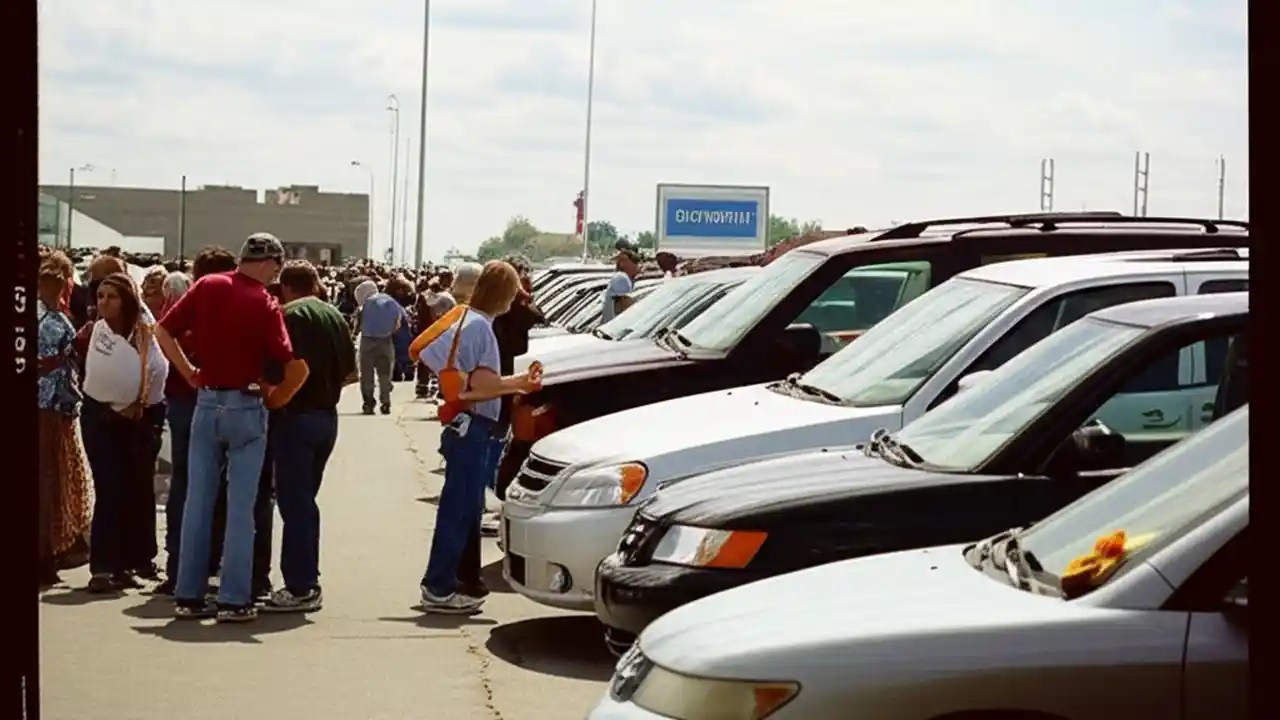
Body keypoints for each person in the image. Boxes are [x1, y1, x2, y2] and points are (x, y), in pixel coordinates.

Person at [155, 232, 308, 623]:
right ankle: (233, 598)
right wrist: (276, 397)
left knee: (198, 501)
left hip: (207, 400)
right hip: (247, 403)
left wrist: (189, 372)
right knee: (241, 507)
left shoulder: (208, 285)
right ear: (271, 262)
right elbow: (290, 363)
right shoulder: (265, 302)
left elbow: (163, 331)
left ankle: (188, 594)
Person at [415, 260, 542, 614]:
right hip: (473, 427)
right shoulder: (481, 328)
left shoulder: (466, 321)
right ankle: (439, 587)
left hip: (463, 426)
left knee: (463, 510)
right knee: (459, 512)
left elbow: (451, 371)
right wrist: (519, 383)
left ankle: (452, 582)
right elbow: (482, 385)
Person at [262, 261, 357, 613]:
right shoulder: (334, 316)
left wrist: (274, 399)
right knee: (304, 500)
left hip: (295, 415)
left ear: (285, 287)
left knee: (295, 503)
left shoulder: (288, 316)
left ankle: (301, 584)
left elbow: (279, 368)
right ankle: (304, 580)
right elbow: (350, 373)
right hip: (326, 417)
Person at [153, 247, 240, 596]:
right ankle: (212, 565)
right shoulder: (237, 306)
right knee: (220, 486)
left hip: (187, 400)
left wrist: (188, 373)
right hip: (222, 402)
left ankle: (181, 569)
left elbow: (163, 333)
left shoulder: (192, 307)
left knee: (187, 485)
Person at [79, 273, 170, 593]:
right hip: (101, 420)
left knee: (138, 490)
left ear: (127, 300)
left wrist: (141, 405)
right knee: (110, 489)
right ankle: (103, 568)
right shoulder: (99, 333)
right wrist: (118, 406)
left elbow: (157, 370)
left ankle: (132, 562)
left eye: (111, 296)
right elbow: (98, 379)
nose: (103, 302)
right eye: (100, 296)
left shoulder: (145, 331)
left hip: (141, 421)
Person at [36, 254, 91, 586]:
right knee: (49, 482)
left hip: (53, 408)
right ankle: (44, 554)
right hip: (50, 410)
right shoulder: (51, 319)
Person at [354, 280, 407, 415]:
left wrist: (356, 333)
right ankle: (385, 402)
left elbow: (357, 324)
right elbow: (398, 322)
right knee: (384, 374)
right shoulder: (391, 301)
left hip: (367, 341)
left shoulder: (365, 304)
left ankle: (368, 403)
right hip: (386, 341)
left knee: (367, 375)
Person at [600, 246, 641, 322]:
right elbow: (627, 311)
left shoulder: (626, 279)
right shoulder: (621, 278)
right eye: (635, 263)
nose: (638, 266)